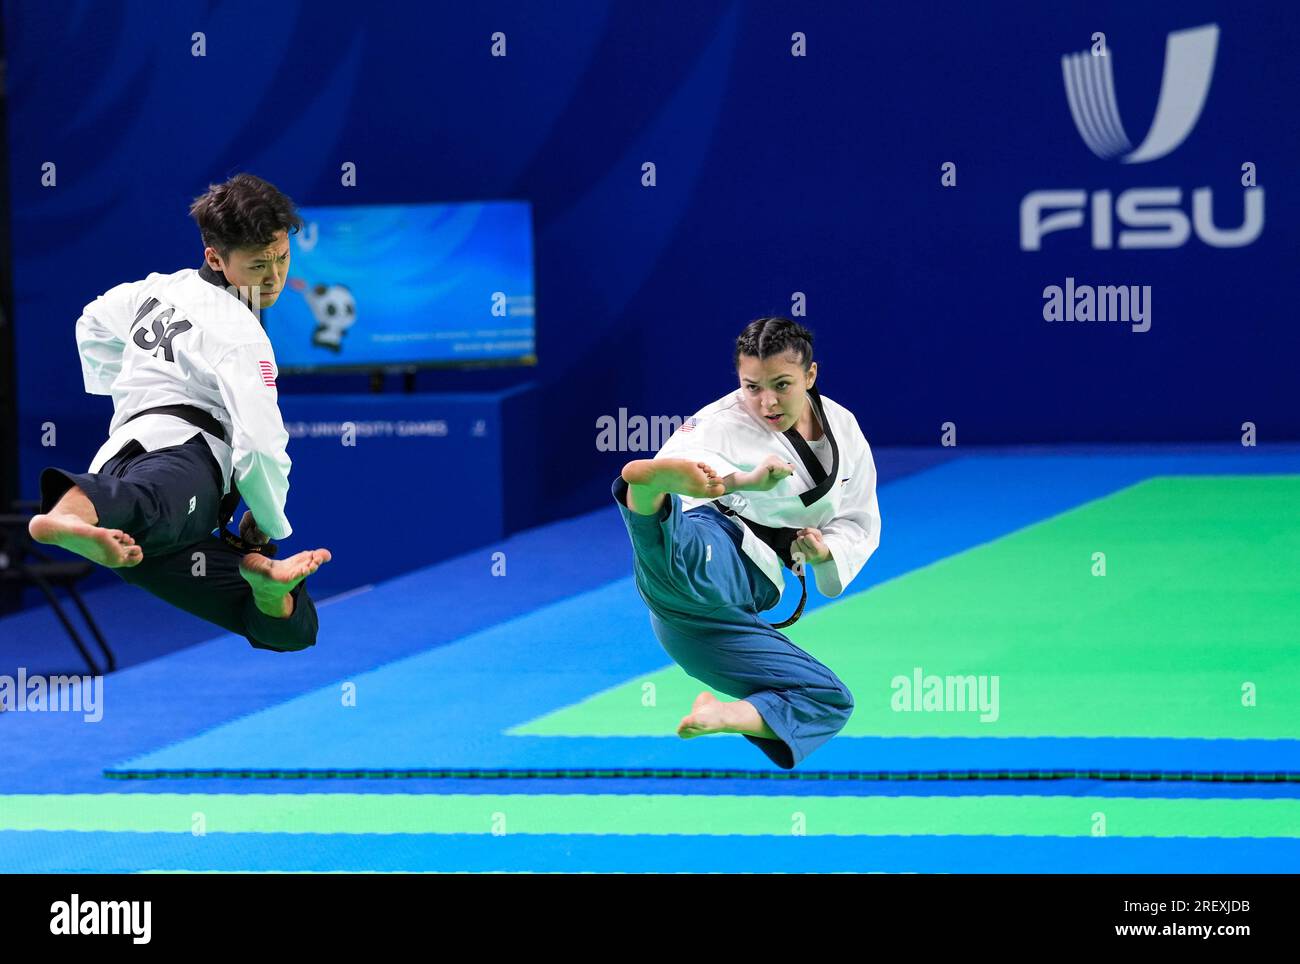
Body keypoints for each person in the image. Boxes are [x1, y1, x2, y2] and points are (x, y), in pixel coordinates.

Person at [27, 173, 329, 653]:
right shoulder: (242, 336)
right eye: (257, 265)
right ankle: (66, 516)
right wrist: (270, 523)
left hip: (142, 504)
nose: (274, 277)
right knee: (151, 498)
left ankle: (269, 589)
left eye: (282, 257)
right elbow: (262, 444)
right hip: (184, 463)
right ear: (216, 257)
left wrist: (124, 398)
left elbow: (92, 319)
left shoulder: (156, 290)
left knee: (295, 624)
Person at [614, 317, 881, 768]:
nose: (766, 401)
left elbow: (859, 518)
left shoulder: (844, 427)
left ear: (810, 375)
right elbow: (696, 466)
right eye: (752, 386)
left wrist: (825, 552)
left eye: (781, 384)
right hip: (720, 545)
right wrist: (737, 480)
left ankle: (723, 715)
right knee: (681, 558)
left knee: (829, 699)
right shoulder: (720, 422)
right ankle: (643, 491)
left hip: (724, 621)